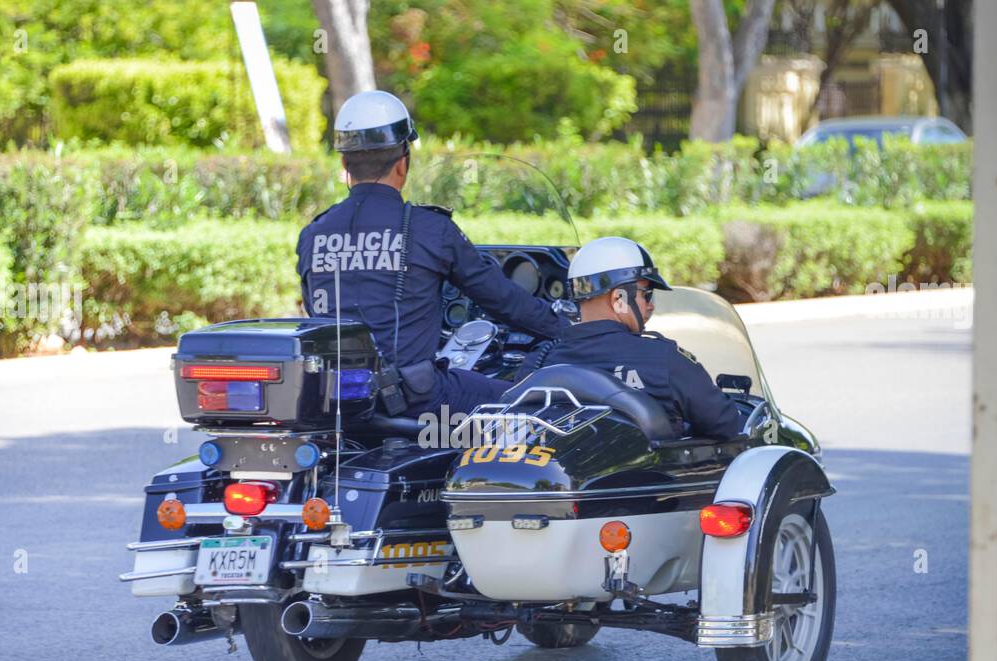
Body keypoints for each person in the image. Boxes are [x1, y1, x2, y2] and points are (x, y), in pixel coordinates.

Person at [296, 90, 565, 417]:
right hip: (417, 401)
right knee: (542, 400)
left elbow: (317, 314)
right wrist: (573, 330)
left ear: (343, 162)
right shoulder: (430, 229)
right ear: (403, 163)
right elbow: (504, 301)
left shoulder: (313, 234)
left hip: (336, 402)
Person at [530, 236, 744, 441]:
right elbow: (726, 425)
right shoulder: (663, 359)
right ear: (618, 298)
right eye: (646, 294)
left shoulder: (541, 362)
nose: (650, 305)